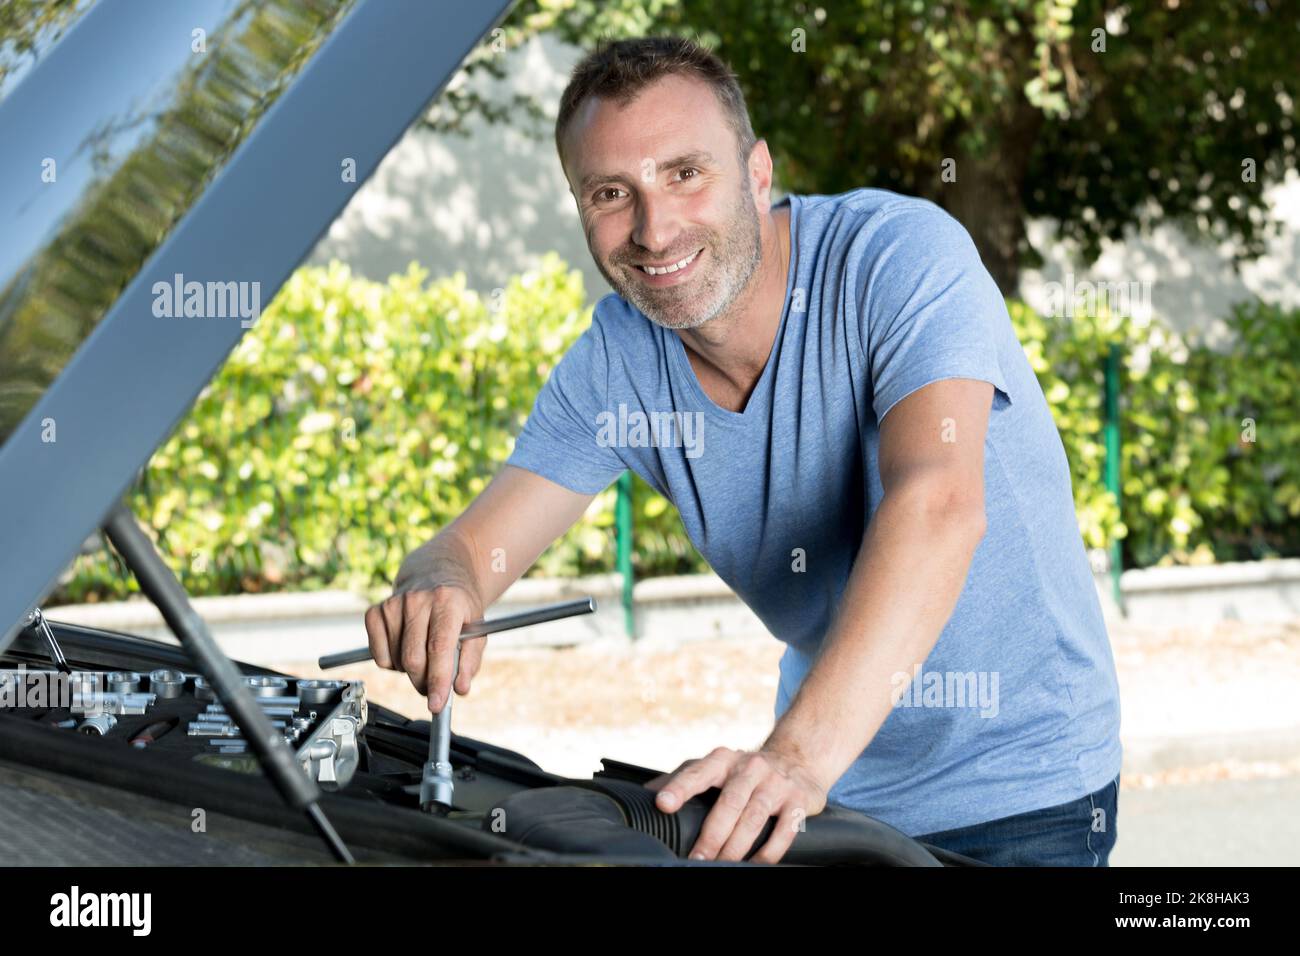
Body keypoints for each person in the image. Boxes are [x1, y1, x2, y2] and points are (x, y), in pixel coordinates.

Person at [364, 36, 1122, 866]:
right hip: (832, 792)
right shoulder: (619, 360)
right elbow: (476, 547)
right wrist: (441, 584)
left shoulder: (900, 258)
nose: (655, 229)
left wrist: (793, 758)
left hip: (1019, 785)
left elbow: (937, 504)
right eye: (613, 192)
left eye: (686, 174)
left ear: (758, 175)